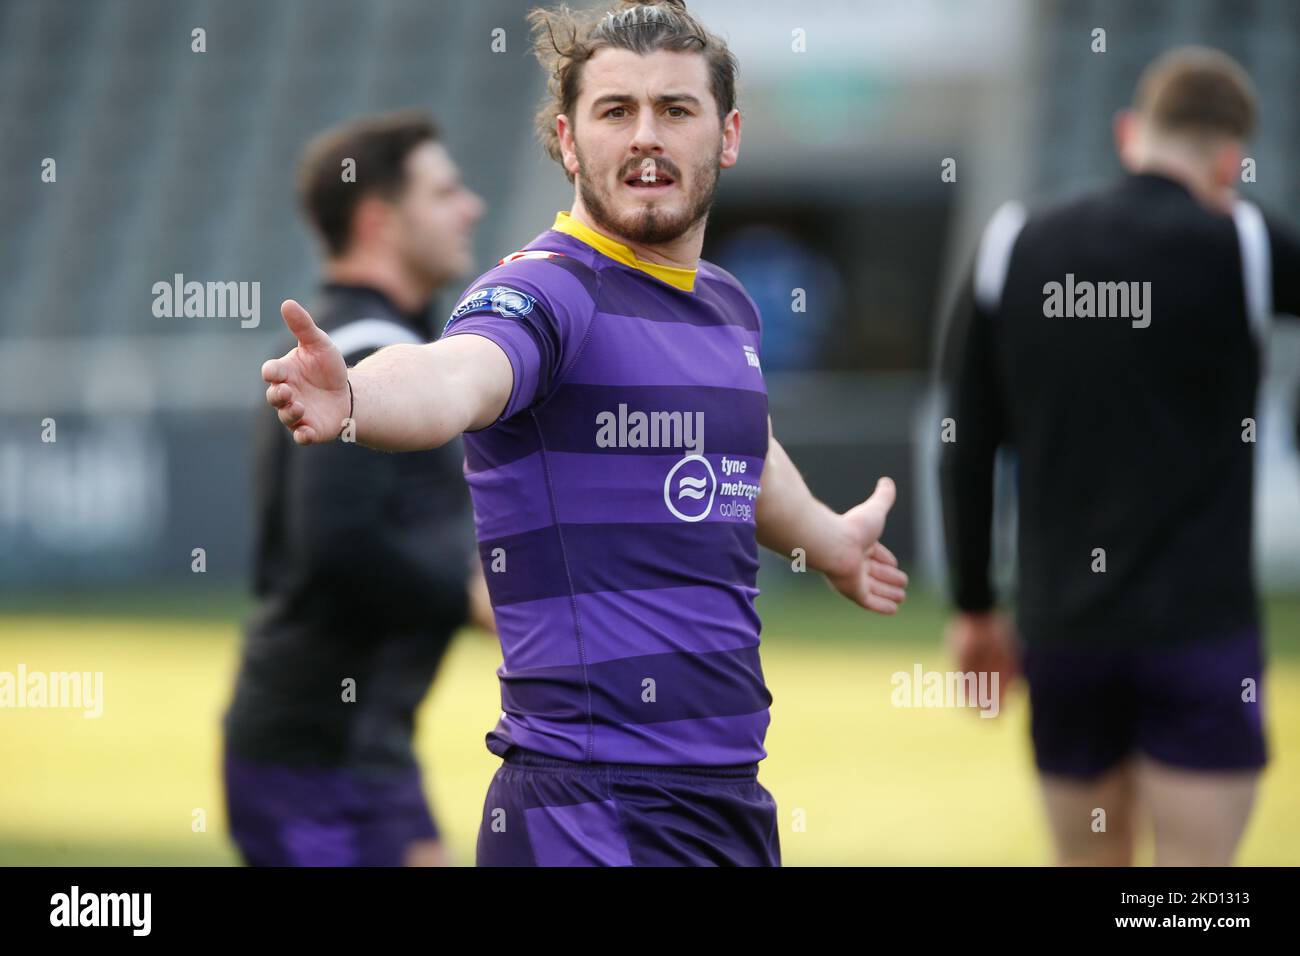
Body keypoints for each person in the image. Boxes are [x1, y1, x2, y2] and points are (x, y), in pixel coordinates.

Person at [260, 0, 908, 866]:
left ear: (729, 135)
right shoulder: (546, 292)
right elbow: (460, 372)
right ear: (568, 141)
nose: (647, 136)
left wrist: (828, 538)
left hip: (727, 801)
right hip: (589, 807)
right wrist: (358, 400)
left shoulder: (725, 304)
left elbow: (737, 443)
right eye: (616, 112)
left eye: (675, 110)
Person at [939, 47, 1300, 865]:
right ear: (1230, 160)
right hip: (1201, 635)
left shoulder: (1012, 243)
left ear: (1128, 133)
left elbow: (966, 441)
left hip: (1065, 633)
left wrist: (972, 608)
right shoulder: (1244, 241)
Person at [224, 110, 488, 866]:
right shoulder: (365, 357)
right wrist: (471, 596)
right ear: (378, 219)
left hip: (347, 749)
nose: (469, 206)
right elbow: (337, 541)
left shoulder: (347, 348)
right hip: (320, 757)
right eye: (444, 192)